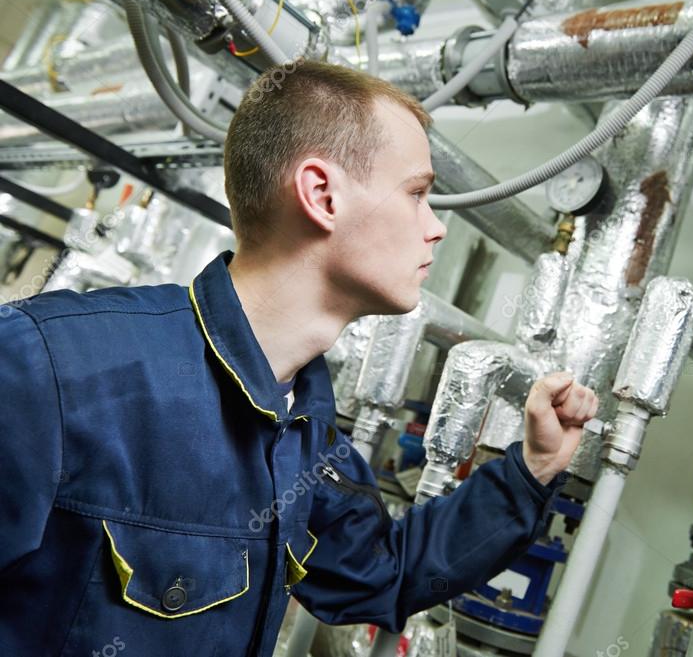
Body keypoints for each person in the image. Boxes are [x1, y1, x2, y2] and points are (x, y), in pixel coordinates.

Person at [0, 61, 597, 656]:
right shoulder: (50, 365)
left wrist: (534, 467)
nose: (436, 228)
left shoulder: (304, 430)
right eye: (417, 193)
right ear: (321, 195)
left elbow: (383, 575)